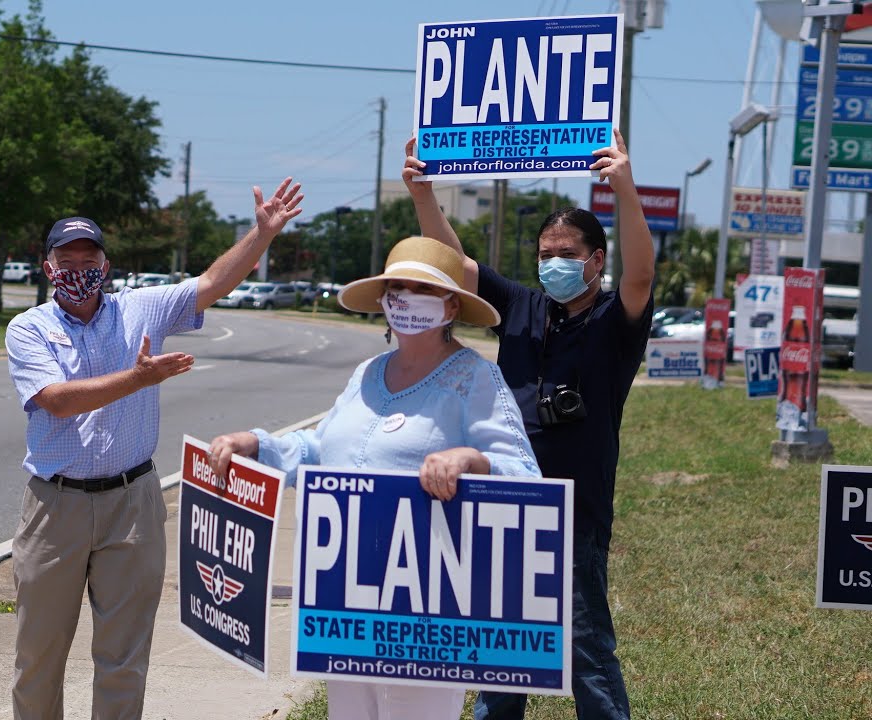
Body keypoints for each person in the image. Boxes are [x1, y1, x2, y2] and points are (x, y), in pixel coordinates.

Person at [5, 178, 303, 720]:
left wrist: (260, 236)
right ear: (47, 266)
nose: (78, 268)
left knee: (123, 656)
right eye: (66, 258)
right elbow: (56, 401)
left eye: (88, 256)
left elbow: (213, 282)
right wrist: (137, 379)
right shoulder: (29, 328)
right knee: (38, 655)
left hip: (132, 504)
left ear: (106, 263)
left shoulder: (142, 308)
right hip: (55, 505)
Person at [208, 236, 541, 720]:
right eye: (395, 288)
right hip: (345, 602)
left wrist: (473, 460)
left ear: (451, 305)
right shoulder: (367, 372)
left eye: (419, 288)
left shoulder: (475, 379)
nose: (404, 298)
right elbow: (321, 451)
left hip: (426, 609)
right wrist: (258, 444)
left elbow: (526, 478)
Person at [402, 129, 655, 720]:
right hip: (500, 504)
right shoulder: (520, 306)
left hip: (575, 511)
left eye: (568, 255)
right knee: (501, 652)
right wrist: (422, 195)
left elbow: (641, 275)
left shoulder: (616, 320)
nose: (554, 264)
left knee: (586, 652)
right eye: (545, 254)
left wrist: (625, 187)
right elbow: (454, 267)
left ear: (596, 260)